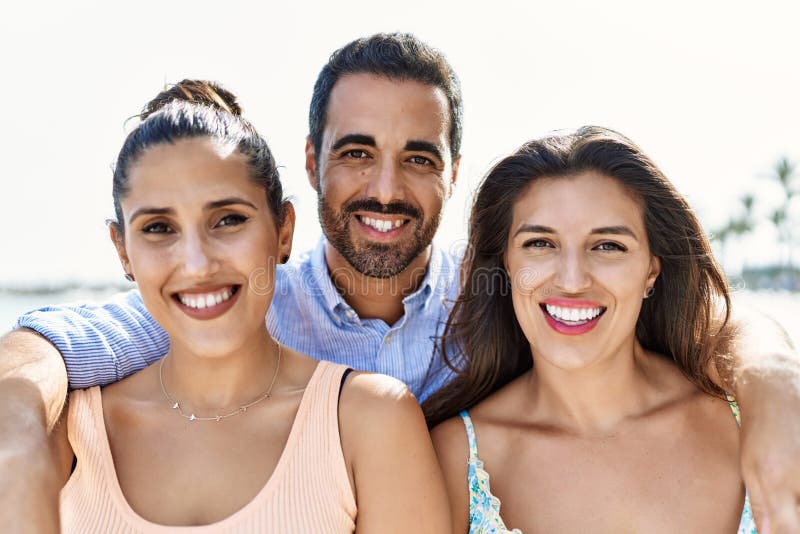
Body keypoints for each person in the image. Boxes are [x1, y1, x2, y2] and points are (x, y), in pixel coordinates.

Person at [0, 33, 798, 532]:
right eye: (355, 152)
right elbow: (68, 337)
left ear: (453, 171)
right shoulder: (241, 302)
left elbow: (648, 310)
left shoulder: (502, 305)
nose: (385, 187)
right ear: (309, 165)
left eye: (418, 157)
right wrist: (16, 427)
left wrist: (774, 377)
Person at [53, 79, 449, 532]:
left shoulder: (370, 420)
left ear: (284, 231)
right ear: (123, 251)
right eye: (159, 228)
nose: (197, 264)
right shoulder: (63, 429)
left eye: (229, 220)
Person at [428, 126, 761, 532]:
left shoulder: (752, 418)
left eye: (608, 246)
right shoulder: (455, 456)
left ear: (652, 270)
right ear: (506, 265)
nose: (572, 279)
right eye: (540, 244)